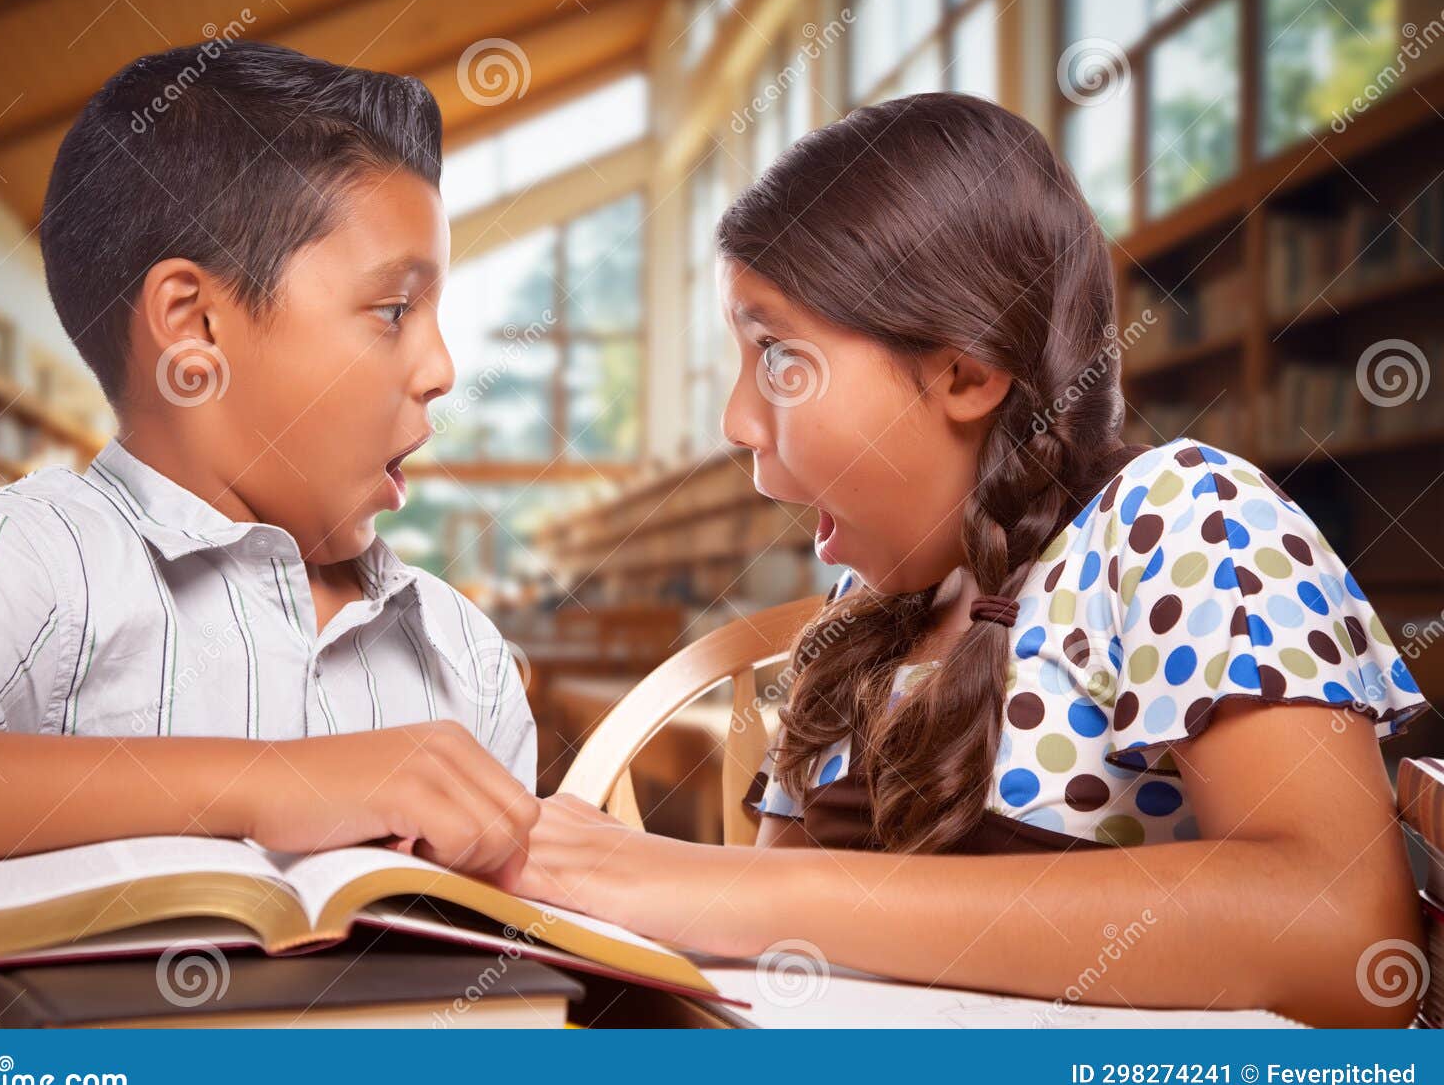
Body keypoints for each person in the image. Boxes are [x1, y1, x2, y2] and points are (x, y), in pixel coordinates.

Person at [512, 93, 1430, 1027]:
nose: (737, 422)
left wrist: (705, 884)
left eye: (779, 355)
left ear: (965, 372)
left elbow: (1346, 938)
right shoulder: (859, 613)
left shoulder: (1185, 518)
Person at [0, 43, 536, 884]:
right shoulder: (26, 560)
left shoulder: (465, 653)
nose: (442, 369)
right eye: (394, 310)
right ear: (194, 327)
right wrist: (263, 783)